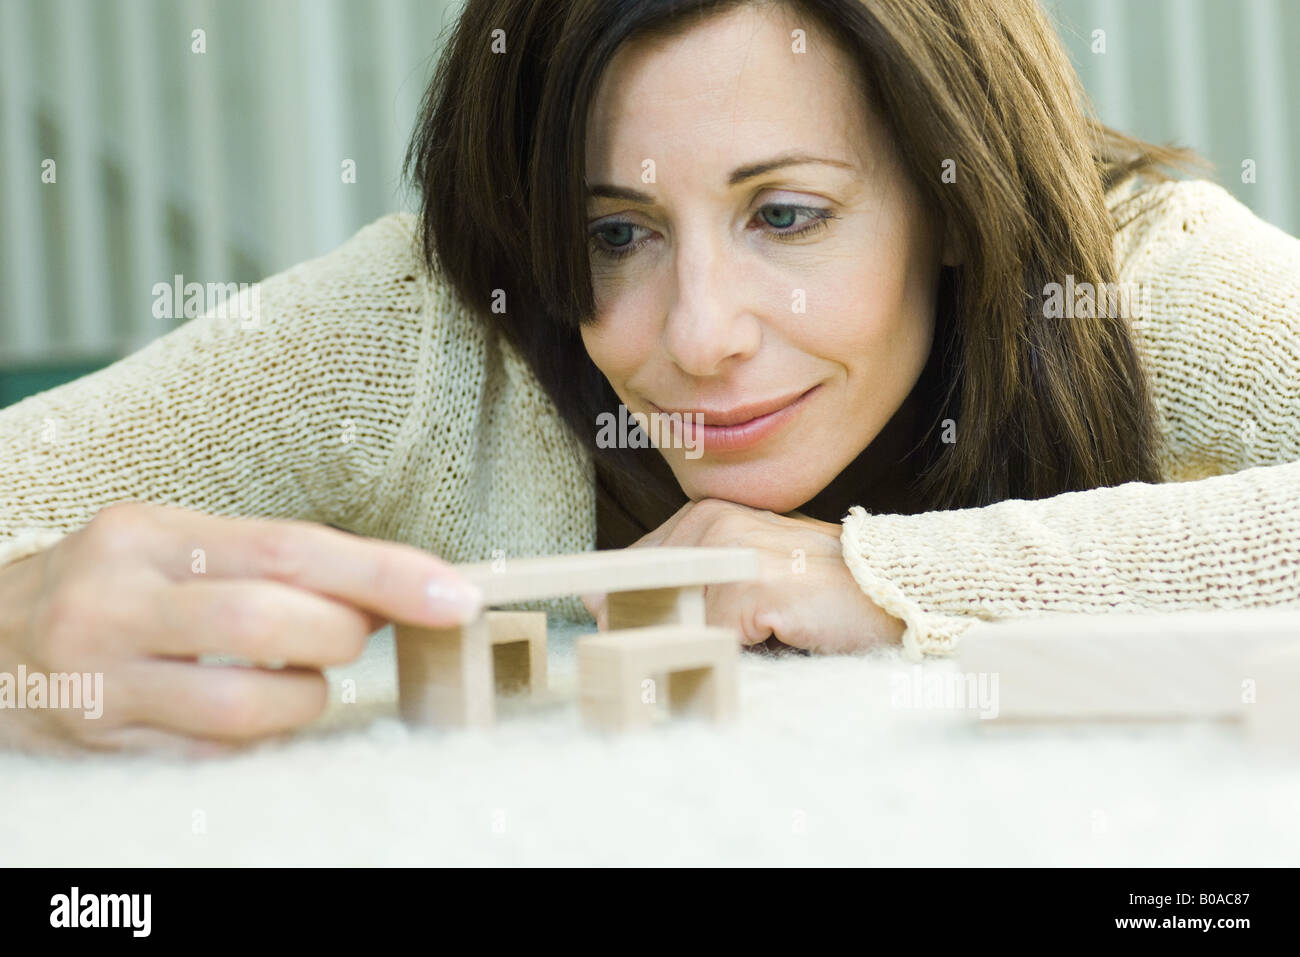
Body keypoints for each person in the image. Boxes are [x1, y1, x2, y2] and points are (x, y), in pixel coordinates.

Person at [1, 0, 1296, 755]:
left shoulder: (1131, 272)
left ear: (952, 196)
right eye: (616, 234)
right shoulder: (438, 322)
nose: (700, 337)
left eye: (786, 215)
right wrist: (19, 628)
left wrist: (876, 579)